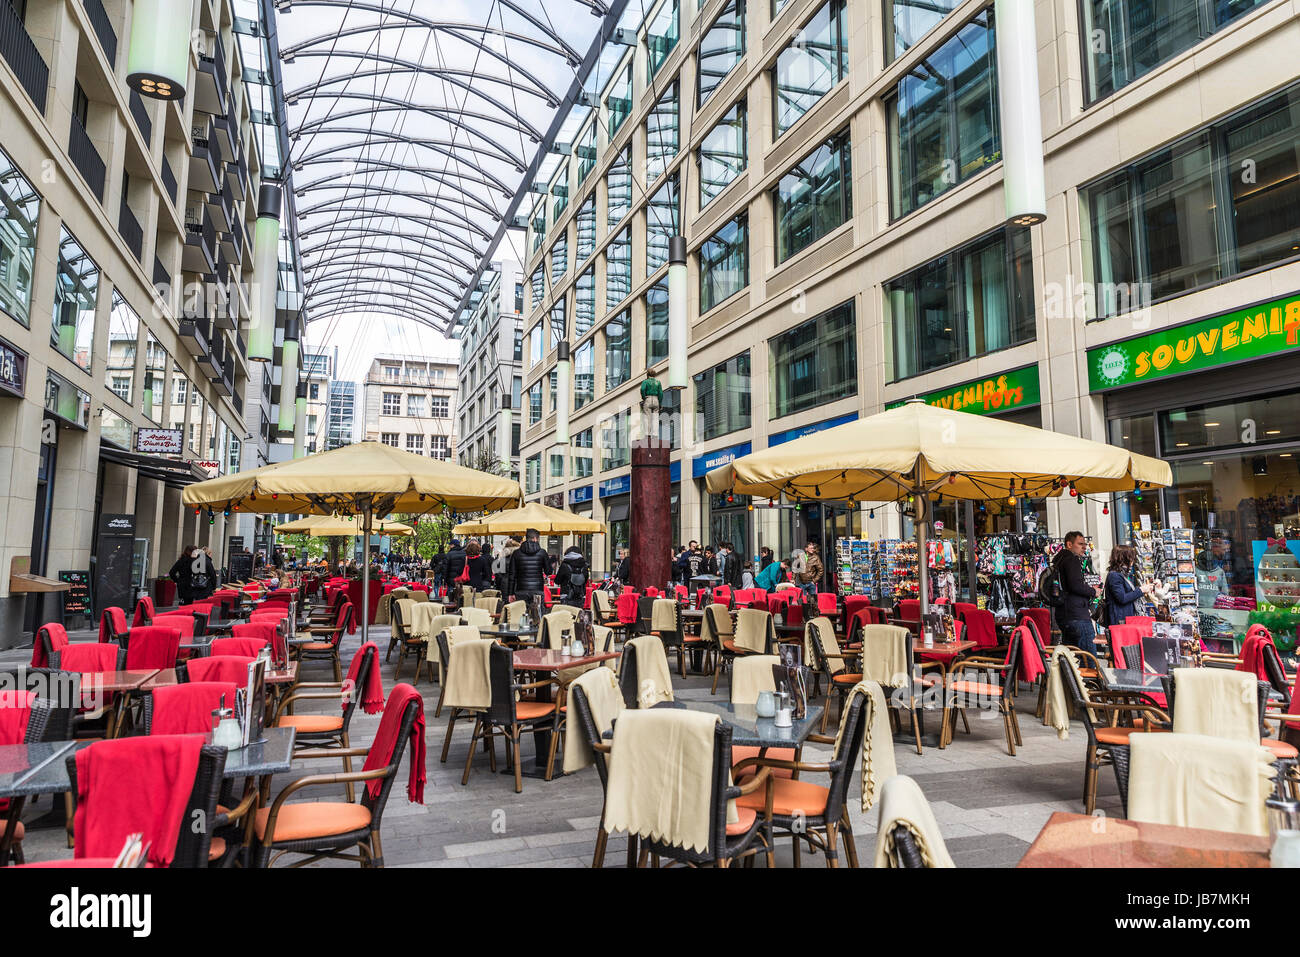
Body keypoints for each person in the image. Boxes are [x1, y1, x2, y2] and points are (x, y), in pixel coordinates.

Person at [1055, 531, 1101, 656]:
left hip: (1063, 614)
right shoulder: (1072, 559)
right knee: (1088, 658)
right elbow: (1075, 585)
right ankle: (1087, 676)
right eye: (1080, 544)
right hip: (1077, 615)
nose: (1084, 547)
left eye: (1085, 544)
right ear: (1069, 544)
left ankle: (1071, 676)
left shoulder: (1059, 559)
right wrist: (1093, 591)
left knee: (1071, 658)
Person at [1104, 544, 1149, 626]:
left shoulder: (1122, 574)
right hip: (1119, 620)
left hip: (1124, 618)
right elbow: (1122, 598)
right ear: (1125, 558)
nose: (1133, 560)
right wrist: (1141, 590)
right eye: (1131, 557)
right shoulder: (1115, 575)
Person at [508, 528, 549, 604]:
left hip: (521, 590)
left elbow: (512, 575)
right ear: (535, 538)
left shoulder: (516, 553)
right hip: (538, 590)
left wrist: (510, 593)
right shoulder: (542, 553)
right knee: (538, 614)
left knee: (521, 613)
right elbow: (548, 571)